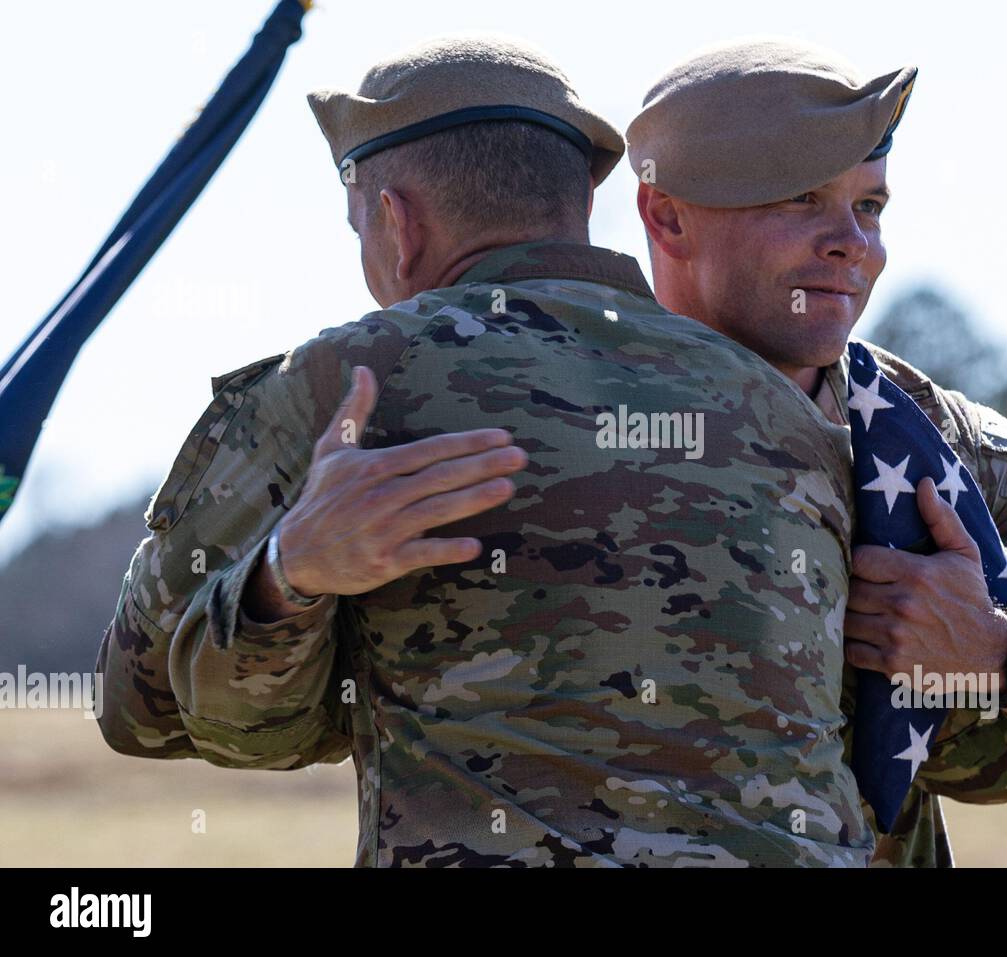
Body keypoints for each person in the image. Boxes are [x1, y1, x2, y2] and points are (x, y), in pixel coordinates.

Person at [95, 35, 877, 867]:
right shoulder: (789, 405)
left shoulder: (340, 389)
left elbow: (142, 712)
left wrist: (289, 582)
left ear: (396, 223)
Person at [625, 37, 1007, 866]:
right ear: (667, 215)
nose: (853, 243)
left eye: (870, 206)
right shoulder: (556, 418)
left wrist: (1002, 656)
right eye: (803, 198)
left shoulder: (939, 450)